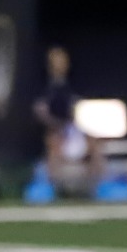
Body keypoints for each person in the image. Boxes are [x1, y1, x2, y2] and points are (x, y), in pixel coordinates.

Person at [28, 46, 112, 202]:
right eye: (56, 61)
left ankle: (97, 187)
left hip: (72, 131)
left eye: (62, 61)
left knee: (95, 145)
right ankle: (52, 189)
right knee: (54, 143)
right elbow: (41, 113)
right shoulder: (43, 87)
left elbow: (75, 111)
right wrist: (57, 126)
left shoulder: (71, 85)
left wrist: (74, 128)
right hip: (55, 133)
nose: (60, 64)